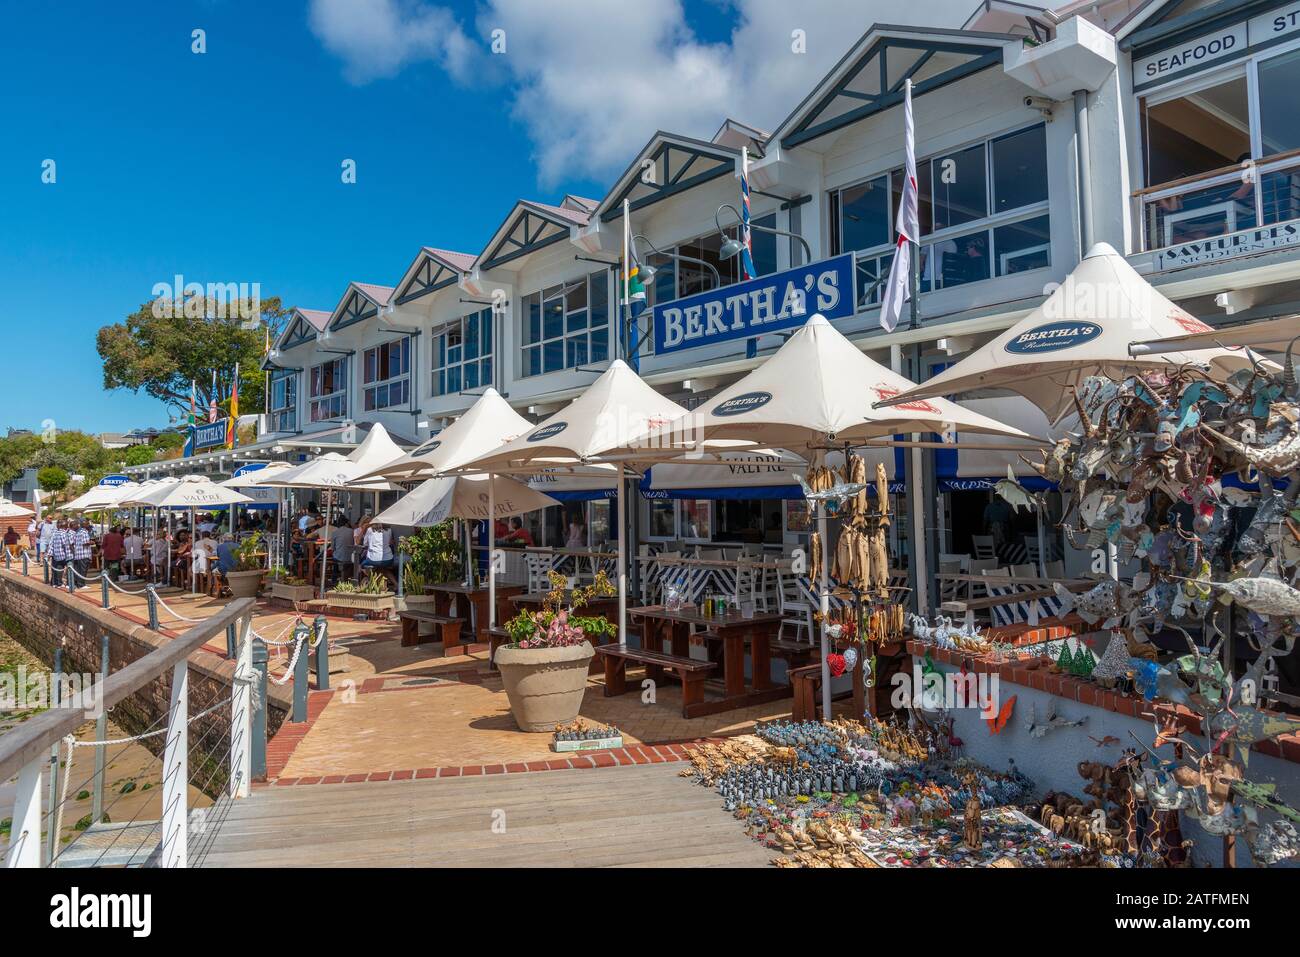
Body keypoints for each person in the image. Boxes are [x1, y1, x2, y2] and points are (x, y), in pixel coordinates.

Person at [48, 520, 73, 587]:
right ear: (65, 526)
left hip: (56, 555)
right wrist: (71, 553)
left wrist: (49, 554)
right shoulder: (64, 534)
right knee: (69, 569)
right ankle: (68, 584)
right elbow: (66, 545)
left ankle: (58, 583)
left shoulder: (55, 533)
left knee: (58, 570)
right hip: (64, 555)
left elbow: (51, 544)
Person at [71, 520, 93, 589]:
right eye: (88, 524)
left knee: (79, 571)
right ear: (85, 525)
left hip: (78, 555)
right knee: (83, 570)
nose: (89, 525)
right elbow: (84, 543)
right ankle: (81, 585)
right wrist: (91, 542)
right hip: (84, 554)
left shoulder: (78, 532)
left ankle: (78, 584)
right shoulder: (84, 532)